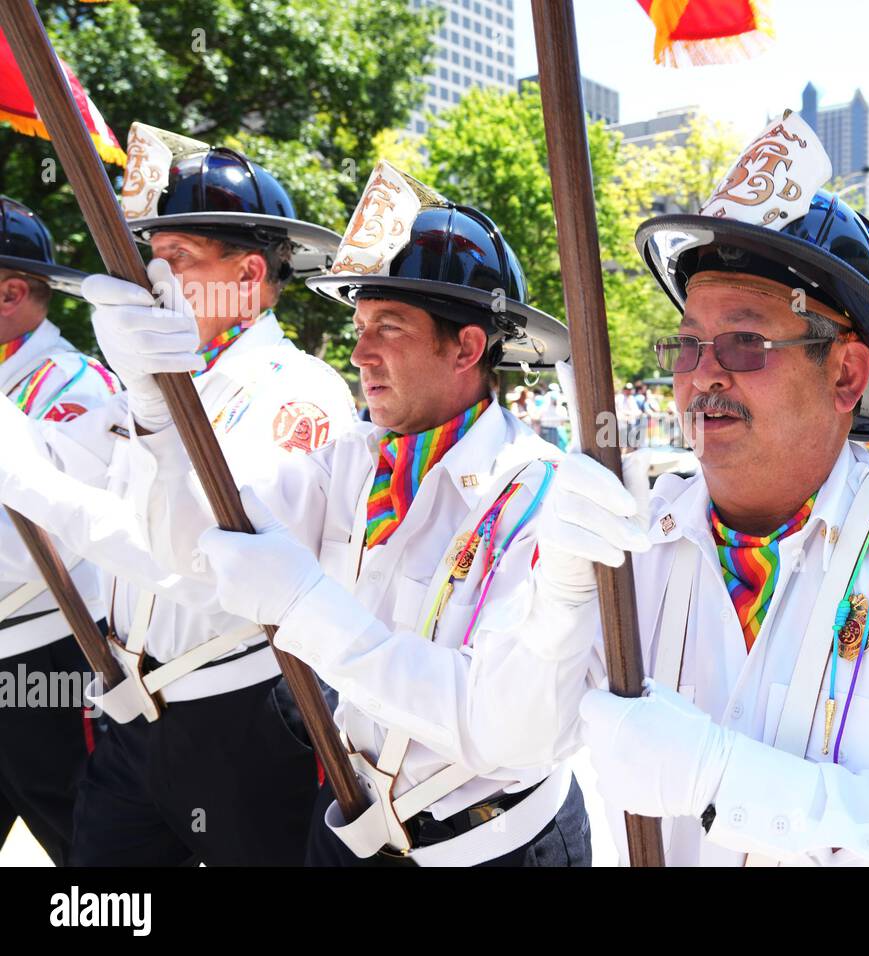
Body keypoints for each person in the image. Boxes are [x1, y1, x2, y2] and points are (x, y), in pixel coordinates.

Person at [464, 112, 869, 865]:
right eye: (686, 344)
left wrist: (724, 777)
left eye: (745, 341)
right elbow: (509, 744)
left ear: (845, 372)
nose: (702, 374)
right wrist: (557, 604)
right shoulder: (631, 540)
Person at [120, 162, 589, 866]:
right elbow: (195, 559)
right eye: (361, 324)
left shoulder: (536, 494)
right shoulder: (347, 463)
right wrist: (156, 415)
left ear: (466, 347)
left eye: (389, 327)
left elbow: (495, 724)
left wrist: (308, 606)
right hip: (352, 821)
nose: (360, 350)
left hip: (495, 845)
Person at [0, 125, 357, 865]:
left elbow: (198, 563)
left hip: (242, 714)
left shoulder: (300, 393)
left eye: (177, 260)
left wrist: (34, 486)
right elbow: (123, 527)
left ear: (248, 273)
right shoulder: (161, 380)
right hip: (138, 708)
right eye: (150, 260)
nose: (150, 282)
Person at [0, 197, 121, 865]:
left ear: (13, 292)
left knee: (88, 853)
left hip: (45, 660)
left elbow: (37, 541)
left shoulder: (73, 387)